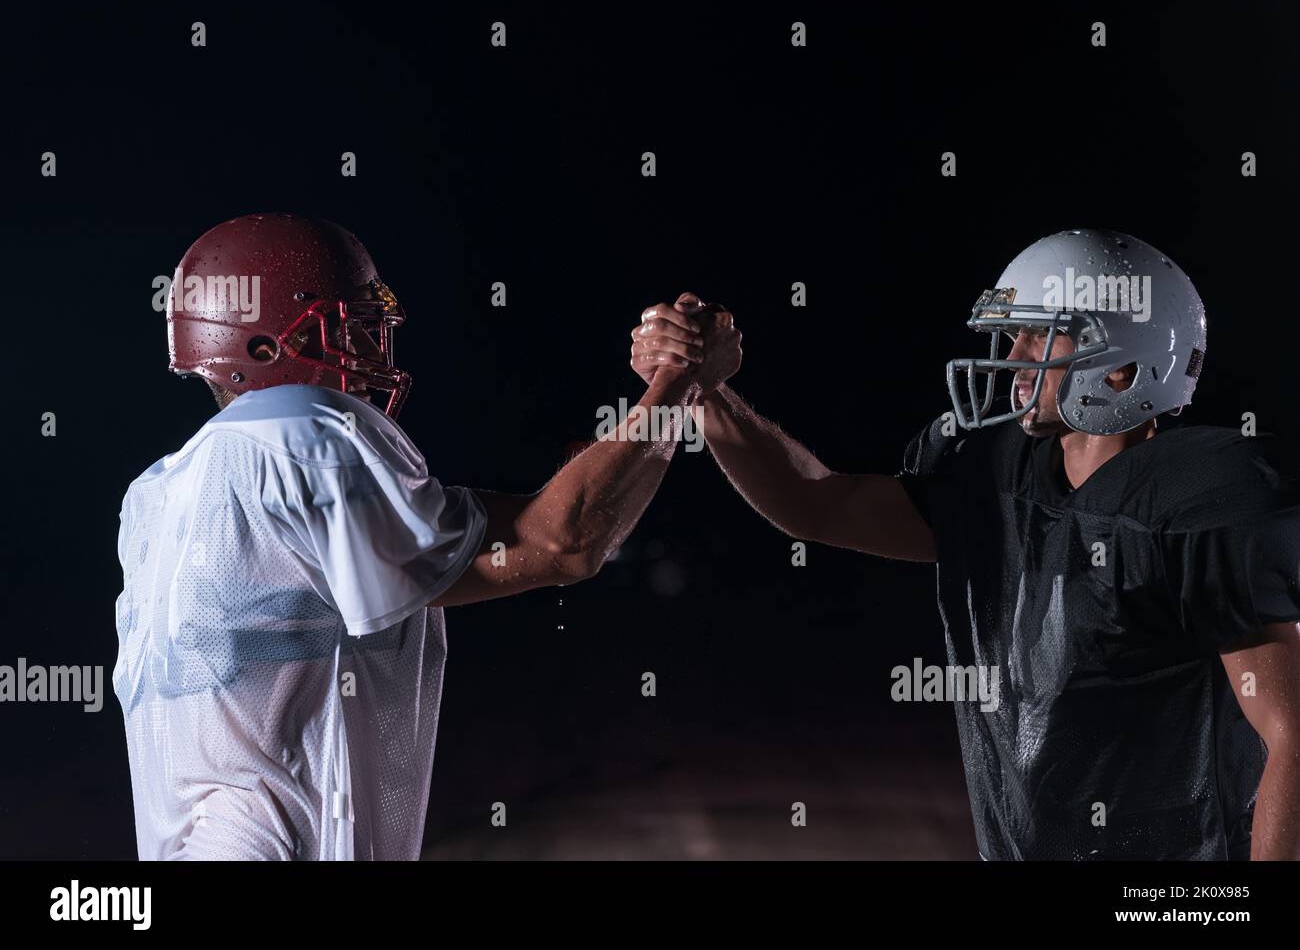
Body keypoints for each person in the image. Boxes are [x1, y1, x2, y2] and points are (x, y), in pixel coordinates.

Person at [631, 231, 1300, 860]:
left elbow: (1291, 735)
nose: (1010, 359)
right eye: (1011, 336)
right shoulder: (992, 471)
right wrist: (704, 390)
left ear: (1121, 369)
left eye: (1038, 339)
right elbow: (816, 505)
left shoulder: (1203, 504)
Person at [113, 213, 741, 859]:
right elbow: (563, 544)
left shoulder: (159, 492)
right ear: (267, 345)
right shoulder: (302, 432)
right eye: (350, 330)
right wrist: (679, 378)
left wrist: (671, 394)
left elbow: (550, 522)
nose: (370, 352)